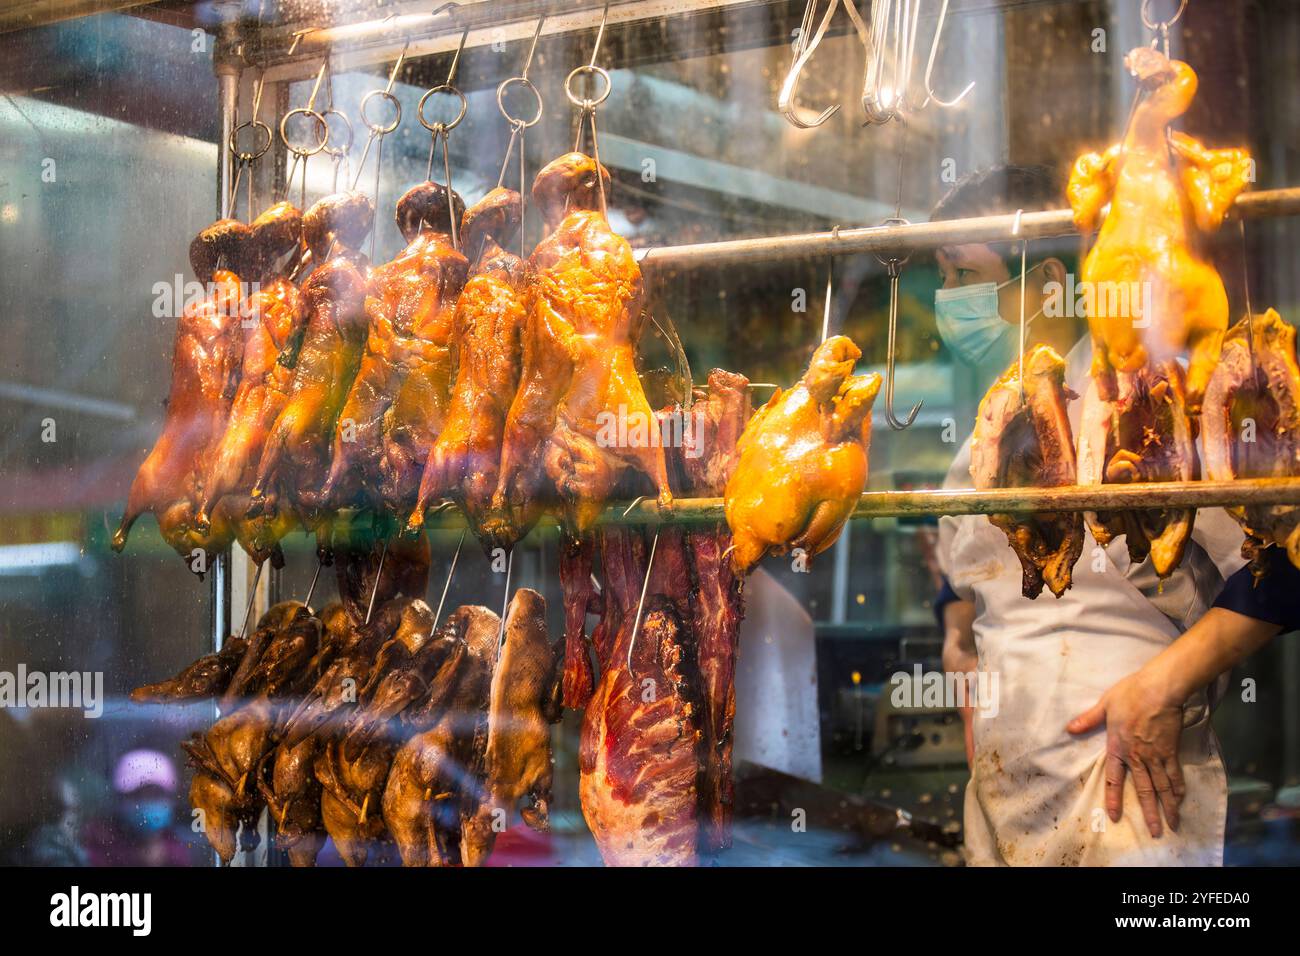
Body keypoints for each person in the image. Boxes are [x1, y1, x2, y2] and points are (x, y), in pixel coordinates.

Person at [930, 165, 1299, 866]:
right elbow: (967, 567)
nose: (947, 299)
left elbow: (1283, 568)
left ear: (1043, 283)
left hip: (1128, 776)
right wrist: (959, 643)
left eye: (960, 274)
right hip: (1005, 784)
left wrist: (1162, 687)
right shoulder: (1000, 415)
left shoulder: (1143, 408)